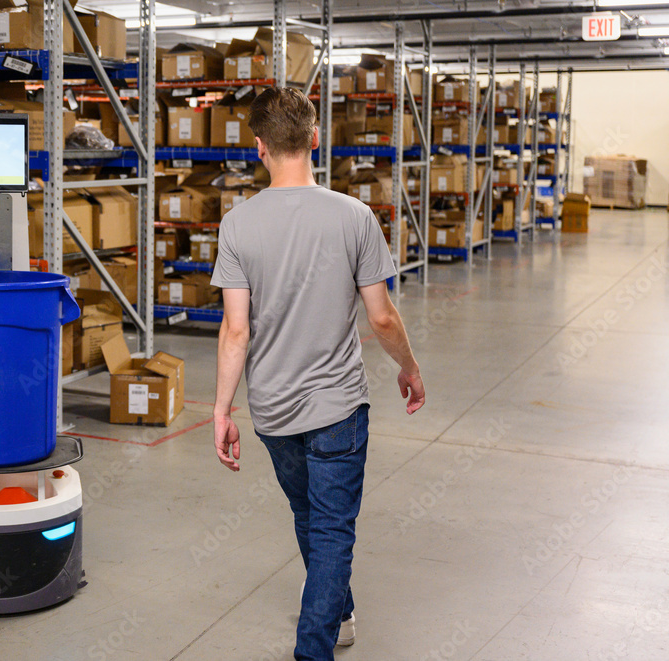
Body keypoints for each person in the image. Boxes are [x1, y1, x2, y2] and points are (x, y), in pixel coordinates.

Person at [210, 87, 426, 660]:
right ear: (314, 140)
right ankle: (314, 649)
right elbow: (380, 316)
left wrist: (221, 409)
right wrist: (409, 367)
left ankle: (340, 613)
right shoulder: (355, 217)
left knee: (310, 517)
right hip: (337, 409)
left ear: (258, 148)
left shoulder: (237, 225)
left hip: (274, 411)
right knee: (331, 529)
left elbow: (236, 331)